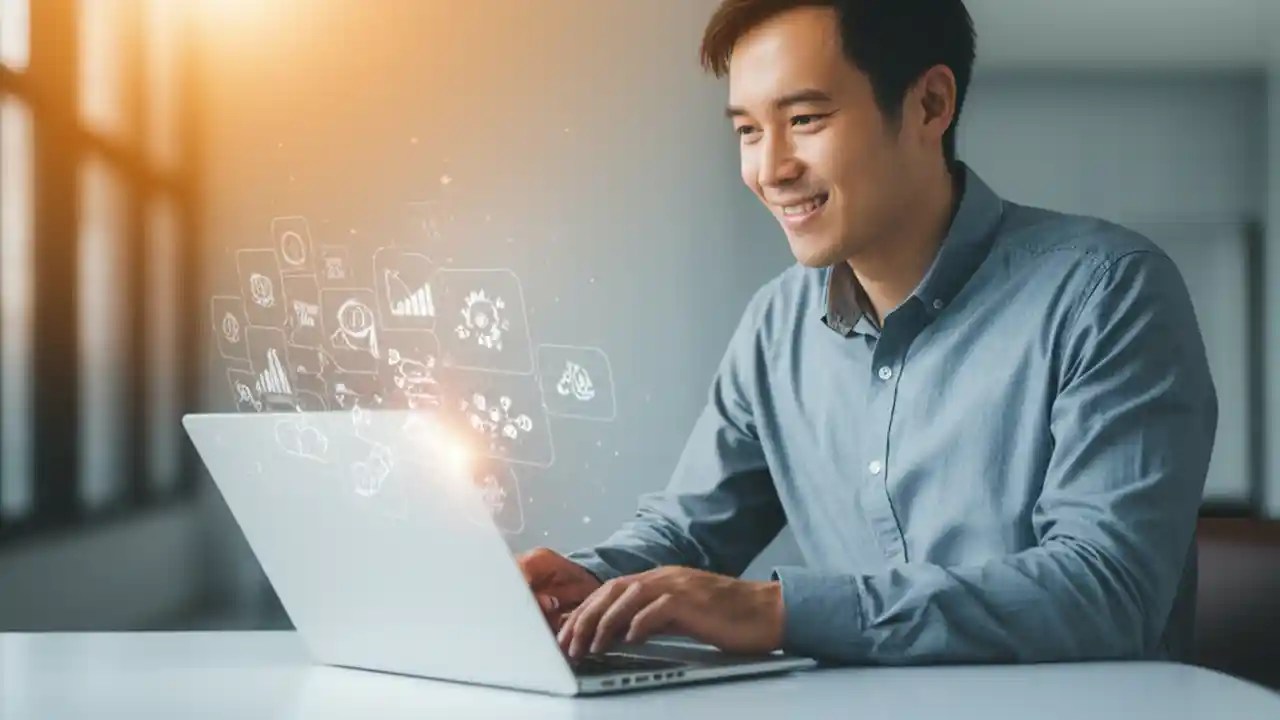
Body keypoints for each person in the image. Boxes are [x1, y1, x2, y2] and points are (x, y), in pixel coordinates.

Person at [519, 0, 1217, 665]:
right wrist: (580, 580)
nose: (770, 169)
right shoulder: (776, 324)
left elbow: (1105, 592)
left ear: (929, 105)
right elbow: (690, 532)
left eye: (807, 118)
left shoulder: (1107, 291)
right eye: (748, 131)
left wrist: (778, 611)